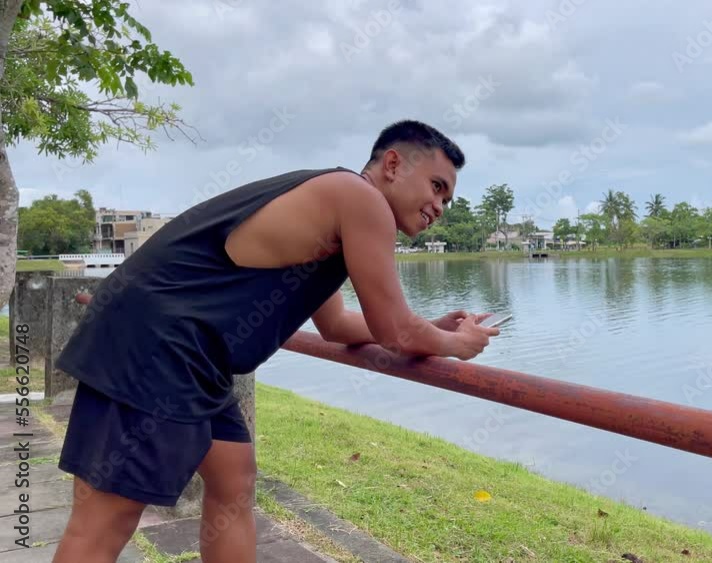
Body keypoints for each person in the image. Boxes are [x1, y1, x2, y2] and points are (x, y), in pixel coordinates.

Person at [51, 119, 501, 563]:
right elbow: (395, 331)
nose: (440, 206)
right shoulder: (361, 200)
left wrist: (433, 329)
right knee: (105, 521)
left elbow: (337, 325)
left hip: (195, 355)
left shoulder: (339, 207)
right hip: (156, 346)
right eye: (437, 186)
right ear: (393, 164)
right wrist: (458, 344)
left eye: (447, 198)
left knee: (234, 480)